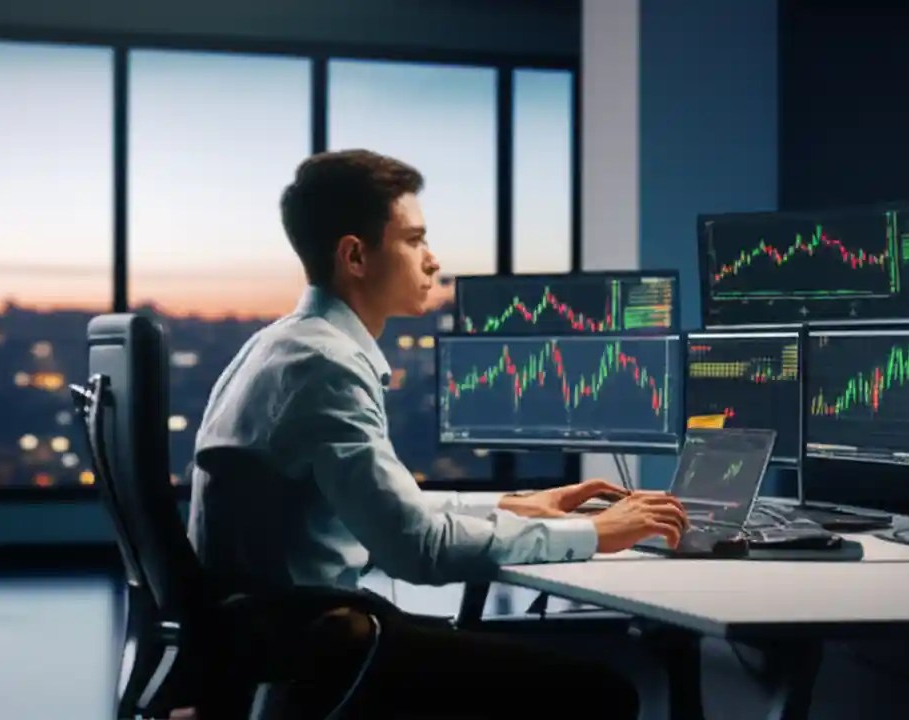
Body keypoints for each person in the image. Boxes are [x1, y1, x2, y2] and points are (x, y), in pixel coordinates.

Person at [187, 149, 689, 718]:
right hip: (317, 639)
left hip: (276, 631)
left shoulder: (281, 344)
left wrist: (512, 504)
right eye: (414, 240)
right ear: (355, 255)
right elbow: (416, 548)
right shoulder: (324, 366)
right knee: (603, 694)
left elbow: (389, 509)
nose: (433, 261)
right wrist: (594, 534)